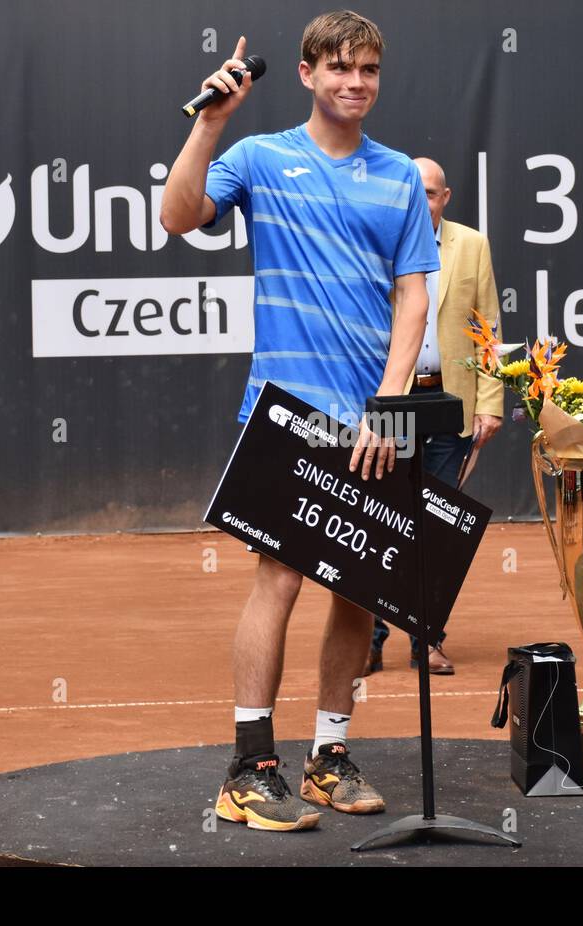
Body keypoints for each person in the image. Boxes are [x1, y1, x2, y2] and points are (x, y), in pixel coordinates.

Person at [160, 11, 440, 832]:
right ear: (311, 74)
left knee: (361, 592)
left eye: (369, 70)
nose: (356, 82)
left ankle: (329, 755)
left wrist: (388, 406)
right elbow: (177, 217)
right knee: (279, 580)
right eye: (340, 68)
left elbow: (413, 293)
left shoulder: (396, 177)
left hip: (374, 422)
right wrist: (210, 123)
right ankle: (249, 767)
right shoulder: (256, 156)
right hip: (285, 415)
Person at [365, 157, 504, 678]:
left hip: (450, 407)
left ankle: (429, 639)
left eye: (430, 193)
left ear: (445, 198)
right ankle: (371, 639)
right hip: (389, 406)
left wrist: (490, 401)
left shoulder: (472, 245)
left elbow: (486, 326)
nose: (421, 201)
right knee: (380, 524)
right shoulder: (378, 239)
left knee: (437, 529)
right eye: (412, 191)